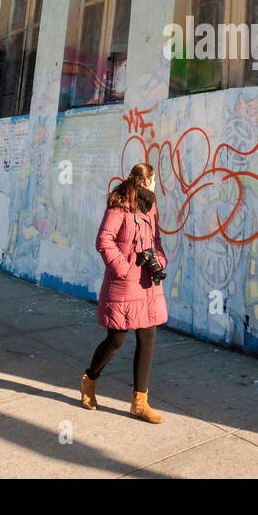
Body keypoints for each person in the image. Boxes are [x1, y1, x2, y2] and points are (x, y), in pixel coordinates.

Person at [81, 162, 168, 423]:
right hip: (125, 281)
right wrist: (124, 268)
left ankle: (139, 402)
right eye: (153, 180)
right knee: (116, 339)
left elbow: (156, 241)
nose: (155, 184)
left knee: (148, 337)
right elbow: (104, 240)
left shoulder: (151, 207)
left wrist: (159, 261)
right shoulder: (119, 206)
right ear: (145, 181)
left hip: (148, 283)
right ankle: (89, 379)